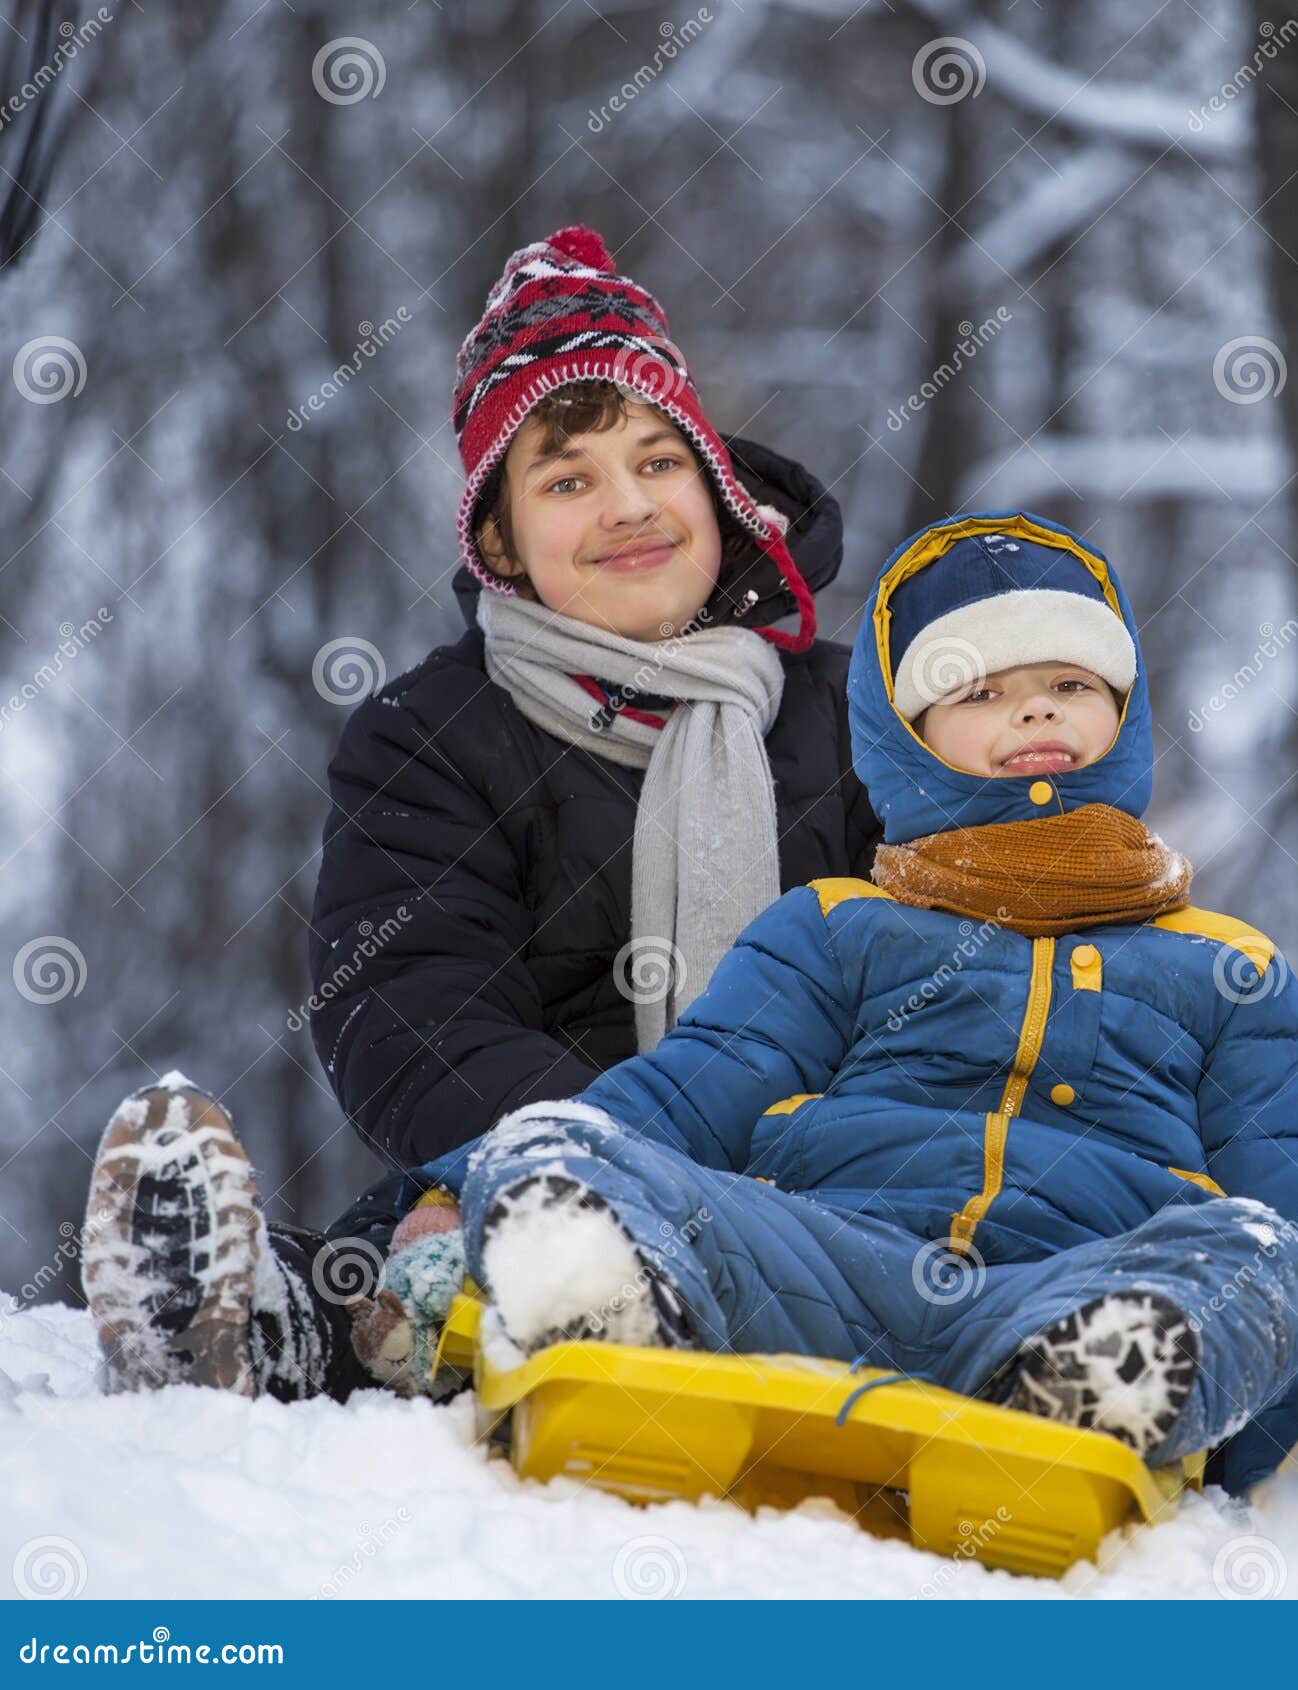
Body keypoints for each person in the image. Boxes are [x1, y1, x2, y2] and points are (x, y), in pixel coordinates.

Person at [395, 512, 1298, 1495]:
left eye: (1070, 685)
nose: (1034, 714)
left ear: (1125, 711)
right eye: (981, 691)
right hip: (824, 1274)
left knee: (1251, 1249)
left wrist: (1225, 1463)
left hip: (1075, 1296)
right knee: (565, 1148)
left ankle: (1105, 1387)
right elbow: (687, 1096)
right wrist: (457, 1188)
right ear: (905, 736)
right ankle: (607, 1298)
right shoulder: (836, 926)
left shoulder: (1221, 965)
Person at [80, 225, 879, 1403]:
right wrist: (621, 1161)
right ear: (498, 539)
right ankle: (261, 1316)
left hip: (838, 1185)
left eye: (659, 462)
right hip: (534, 1171)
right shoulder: (431, 739)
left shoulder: (867, 717)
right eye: (567, 480)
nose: (628, 505)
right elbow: (410, 1010)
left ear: (717, 487)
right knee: (431, 1254)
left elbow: (955, 964)